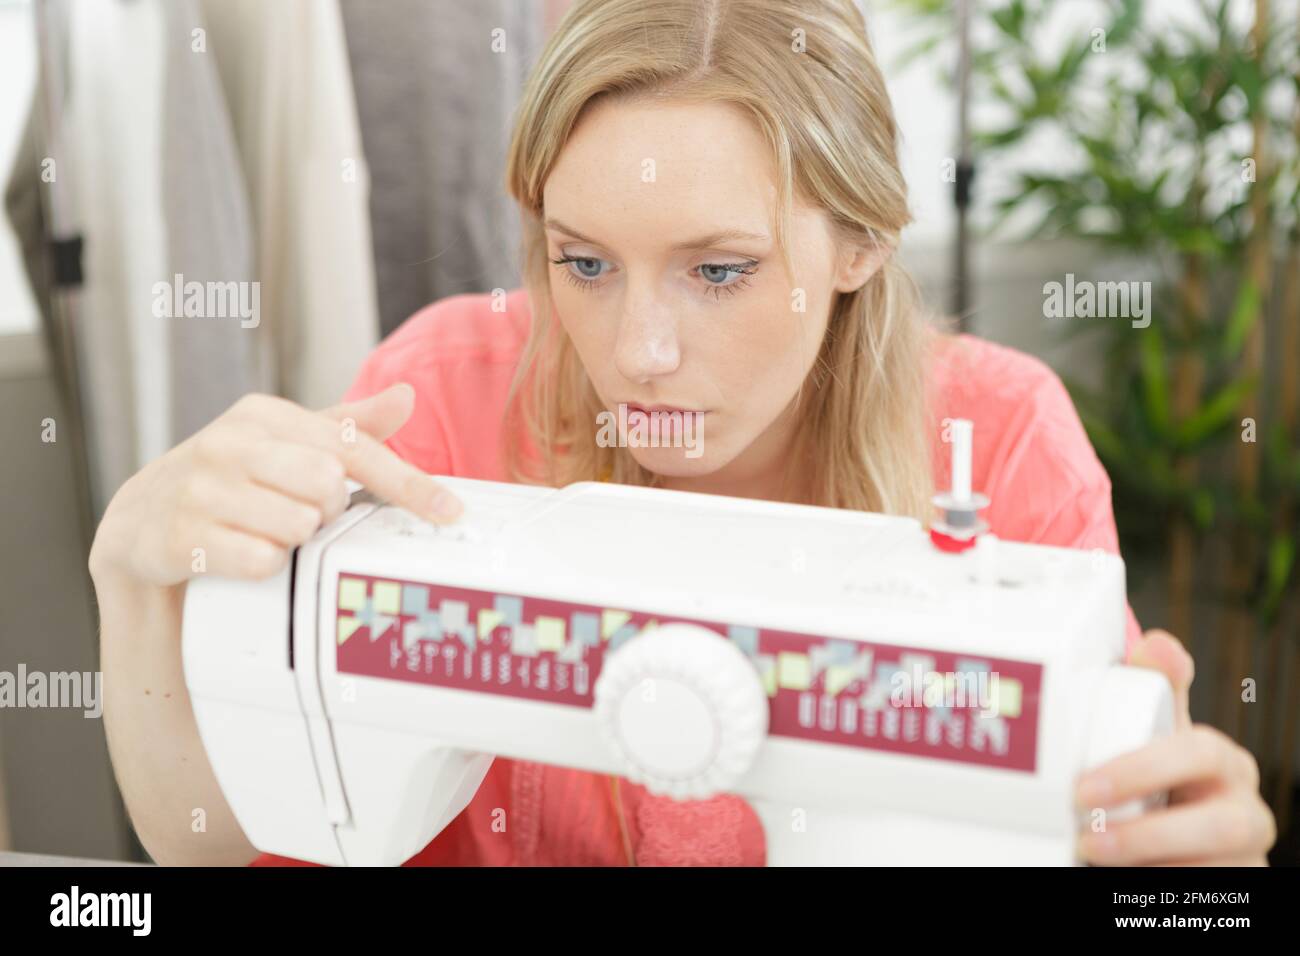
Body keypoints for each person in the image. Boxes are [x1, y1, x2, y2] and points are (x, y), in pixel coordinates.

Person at [89, 0, 1275, 866]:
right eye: (584, 262)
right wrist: (131, 582)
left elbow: (1118, 822)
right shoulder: (435, 402)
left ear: (859, 241)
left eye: (718, 269)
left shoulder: (999, 438)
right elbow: (218, 849)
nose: (637, 349)